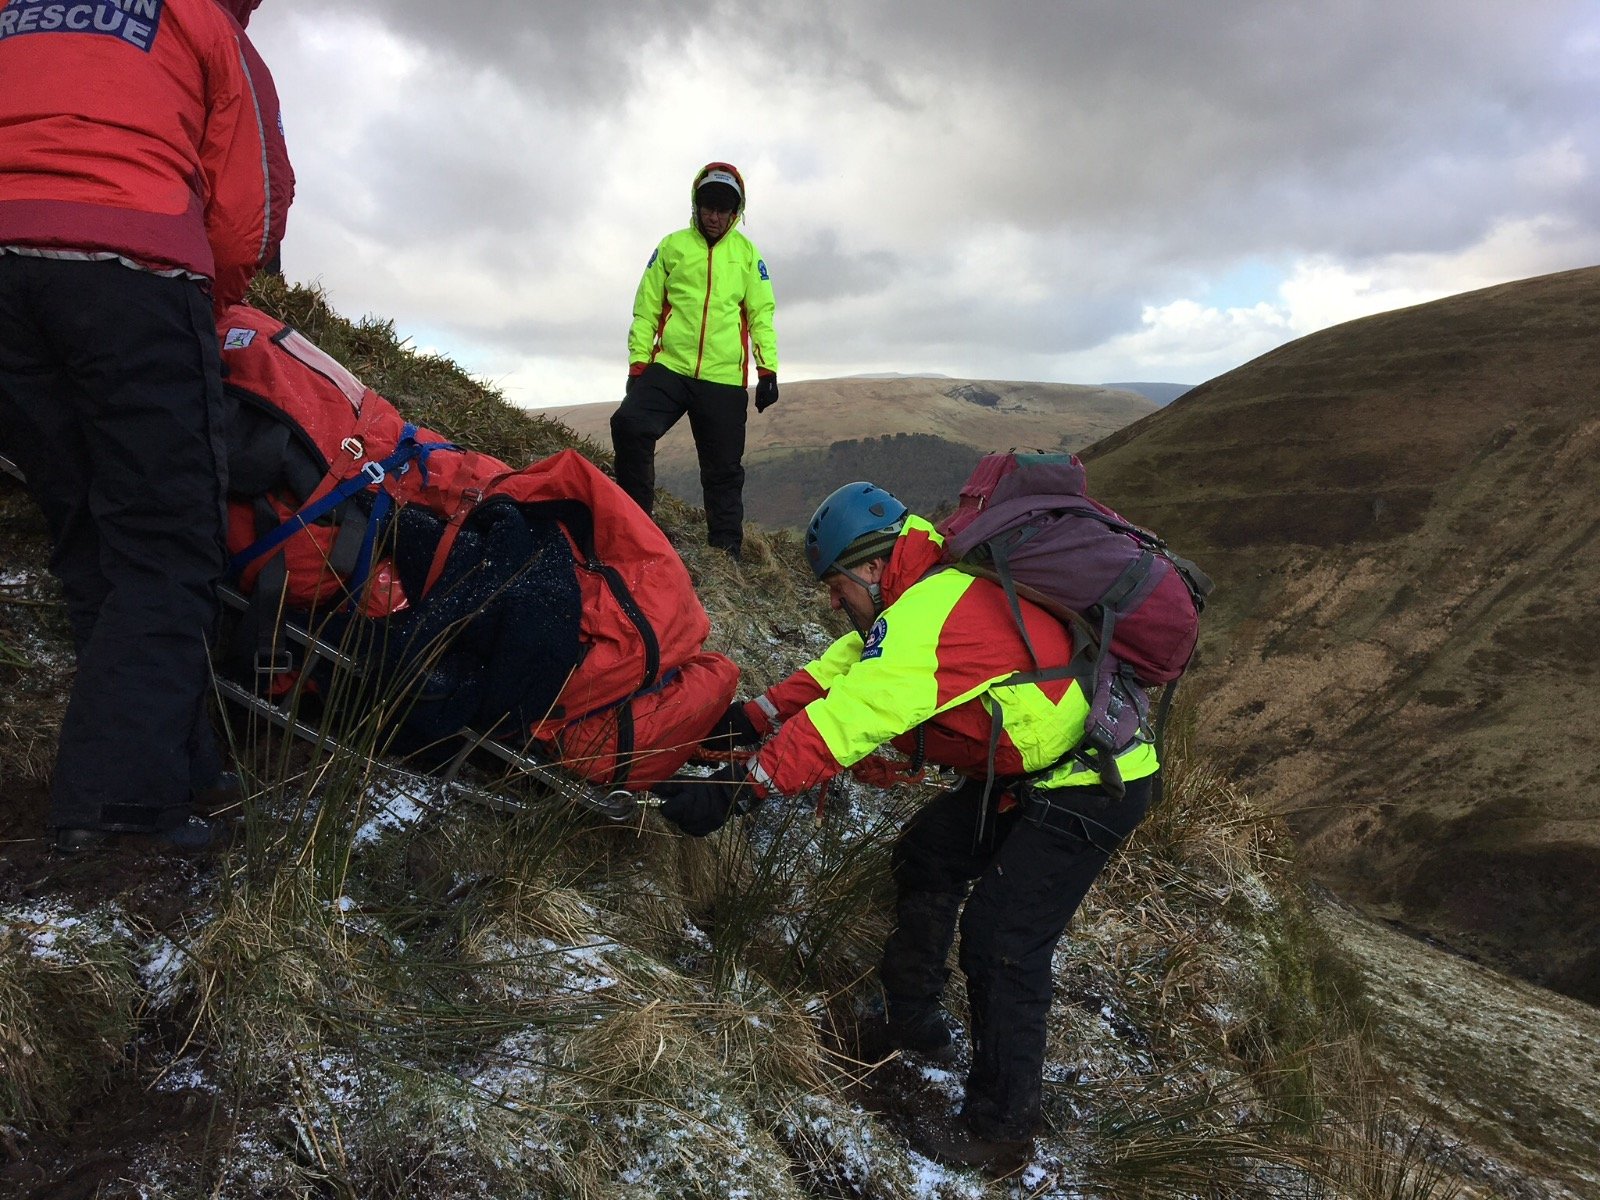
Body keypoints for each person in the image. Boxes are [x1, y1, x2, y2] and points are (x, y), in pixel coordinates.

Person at [654, 481, 1160, 1173]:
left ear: (868, 567)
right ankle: (911, 1024)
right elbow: (855, 667)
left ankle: (1000, 1132)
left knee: (1003, 939)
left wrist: (741, 791)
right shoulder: (926, 594)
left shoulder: (933, 611)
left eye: (835, 585)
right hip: (1033, 777)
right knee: (928, 853)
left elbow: (850, 719)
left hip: (1094, 786)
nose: (832, 601)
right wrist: (755, 717)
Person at [0, 0, 294, 852]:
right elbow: (252, 206)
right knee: (166, 544)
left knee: (89, 530)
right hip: (130, 269)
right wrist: (212, 304)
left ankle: (176, 761)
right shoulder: (203, 22)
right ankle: (120, 813)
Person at [610, 162, 779, 561]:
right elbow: (646, 308)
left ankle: (726, 553)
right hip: (669, 366)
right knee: (629, 425)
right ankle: (635, 526)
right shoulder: (671, 247)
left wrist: (767, 369)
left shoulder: (748, 256)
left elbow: (761, 314)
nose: (714, 216)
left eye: (723, 208)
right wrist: (638, 364)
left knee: (723, 471)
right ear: (696, 204)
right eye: (708, 205)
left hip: (723, 379)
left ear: (737, 212)